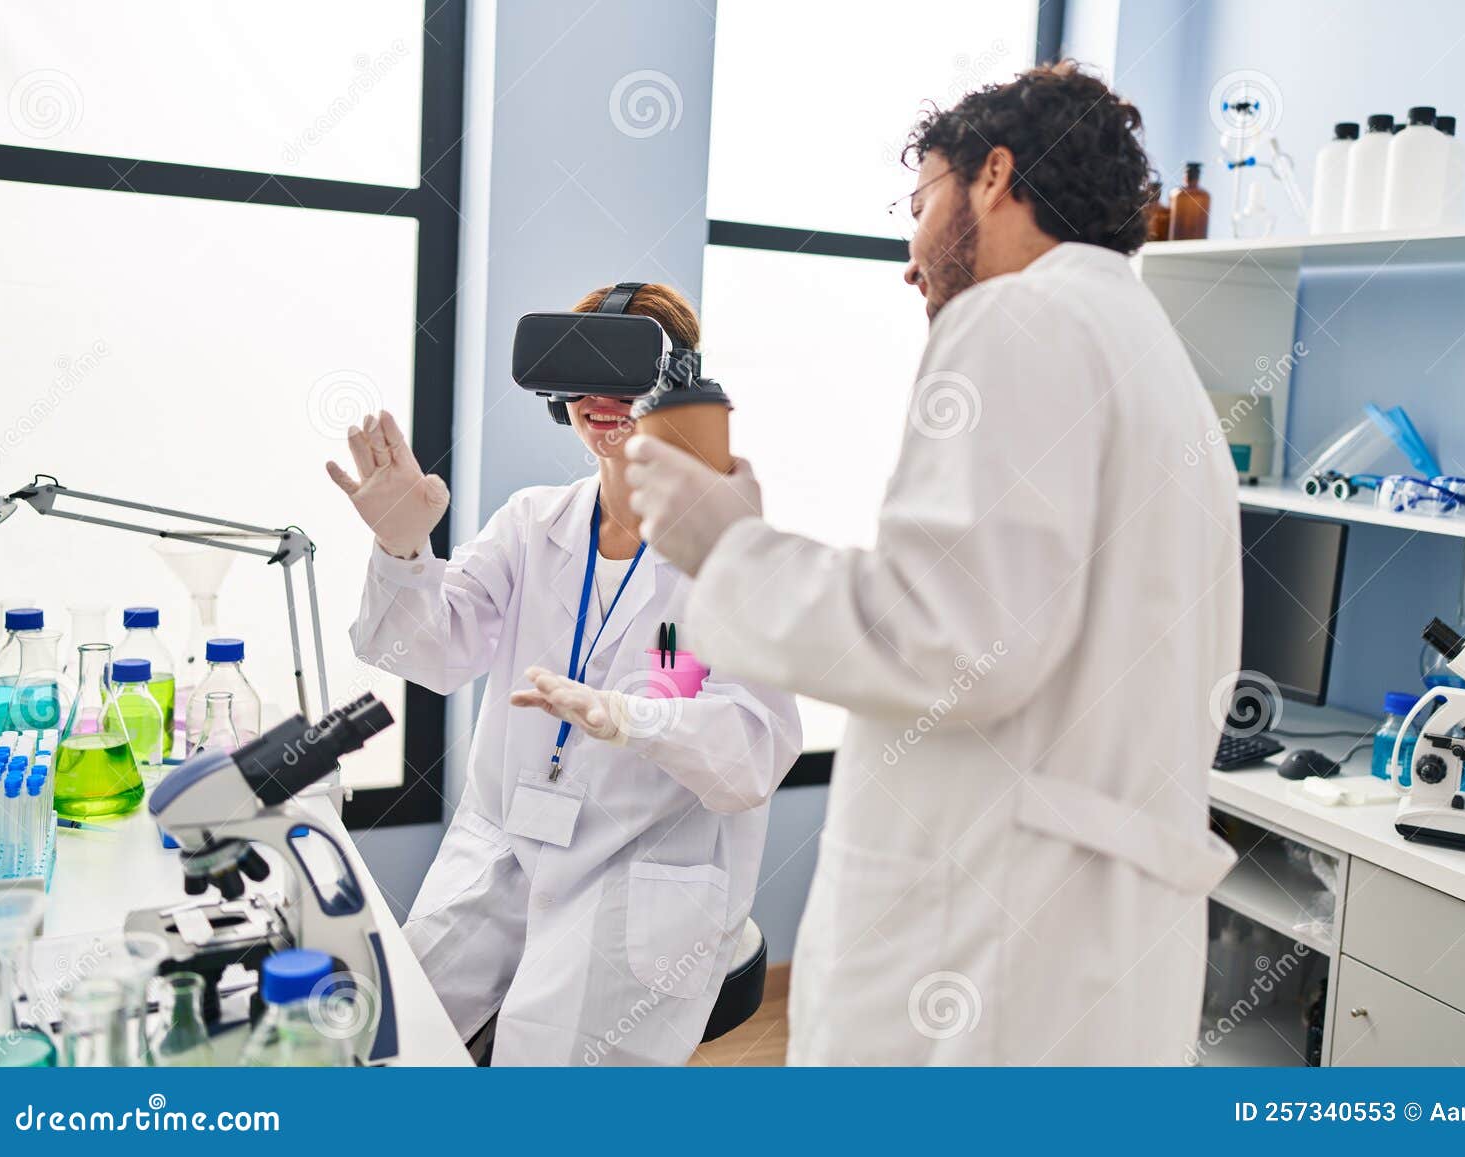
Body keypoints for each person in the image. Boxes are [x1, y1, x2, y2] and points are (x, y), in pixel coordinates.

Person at [624, 62, 1241, 1064]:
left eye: (918, 206)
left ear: (994, 176)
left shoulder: (1016, 316)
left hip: (987, 943)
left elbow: (954, 637)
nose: (909, 260)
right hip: (1082, 945)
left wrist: (724, 545)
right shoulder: (1148, 352)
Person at [326, 282, 801, 1066]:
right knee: (396, 1039)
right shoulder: (530, 523)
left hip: (636, 870)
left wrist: (632, 718)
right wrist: (403, 551)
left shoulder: (724, 545)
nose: (599, 398)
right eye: (579, 372)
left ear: (678, 380)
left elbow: (753, 748)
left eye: (626, 372)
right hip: (504, 852)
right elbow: (433, 652)